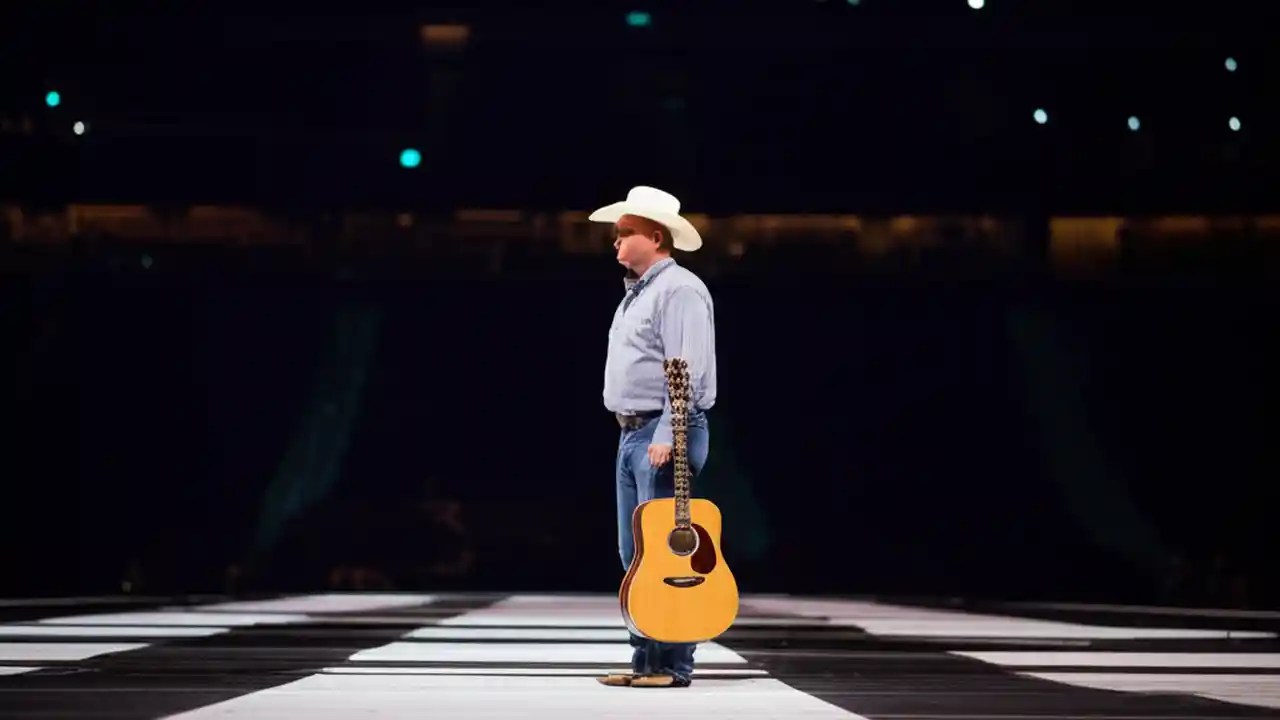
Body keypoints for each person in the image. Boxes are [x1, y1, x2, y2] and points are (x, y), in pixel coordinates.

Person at [591, 186, 717, 688]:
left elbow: (688, 368)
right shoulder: (639, 293)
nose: (616, 241)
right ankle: (646, 659)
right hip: (633, 434)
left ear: (656, 237)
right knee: (635, 556)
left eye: (626, 233)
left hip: (663, 431)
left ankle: (674, 664)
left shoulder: (679, 289)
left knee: (667, 556)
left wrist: (669, 429)